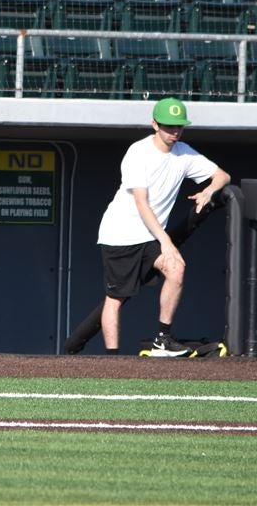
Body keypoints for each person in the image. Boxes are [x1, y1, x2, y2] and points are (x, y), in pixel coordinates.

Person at [66, 97, 230, 357]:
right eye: (169, 126)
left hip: (150, 235)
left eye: (179, 127)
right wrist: (165, 242)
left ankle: (162, 339)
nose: (175, 132)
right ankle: (113, 359)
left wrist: (209, 191)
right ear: (155, 125)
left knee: (176, 268)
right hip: (120, 234)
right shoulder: (138, 152)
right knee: (115, 299)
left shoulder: (184, 152)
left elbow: (223, 175)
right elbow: (142, 204)